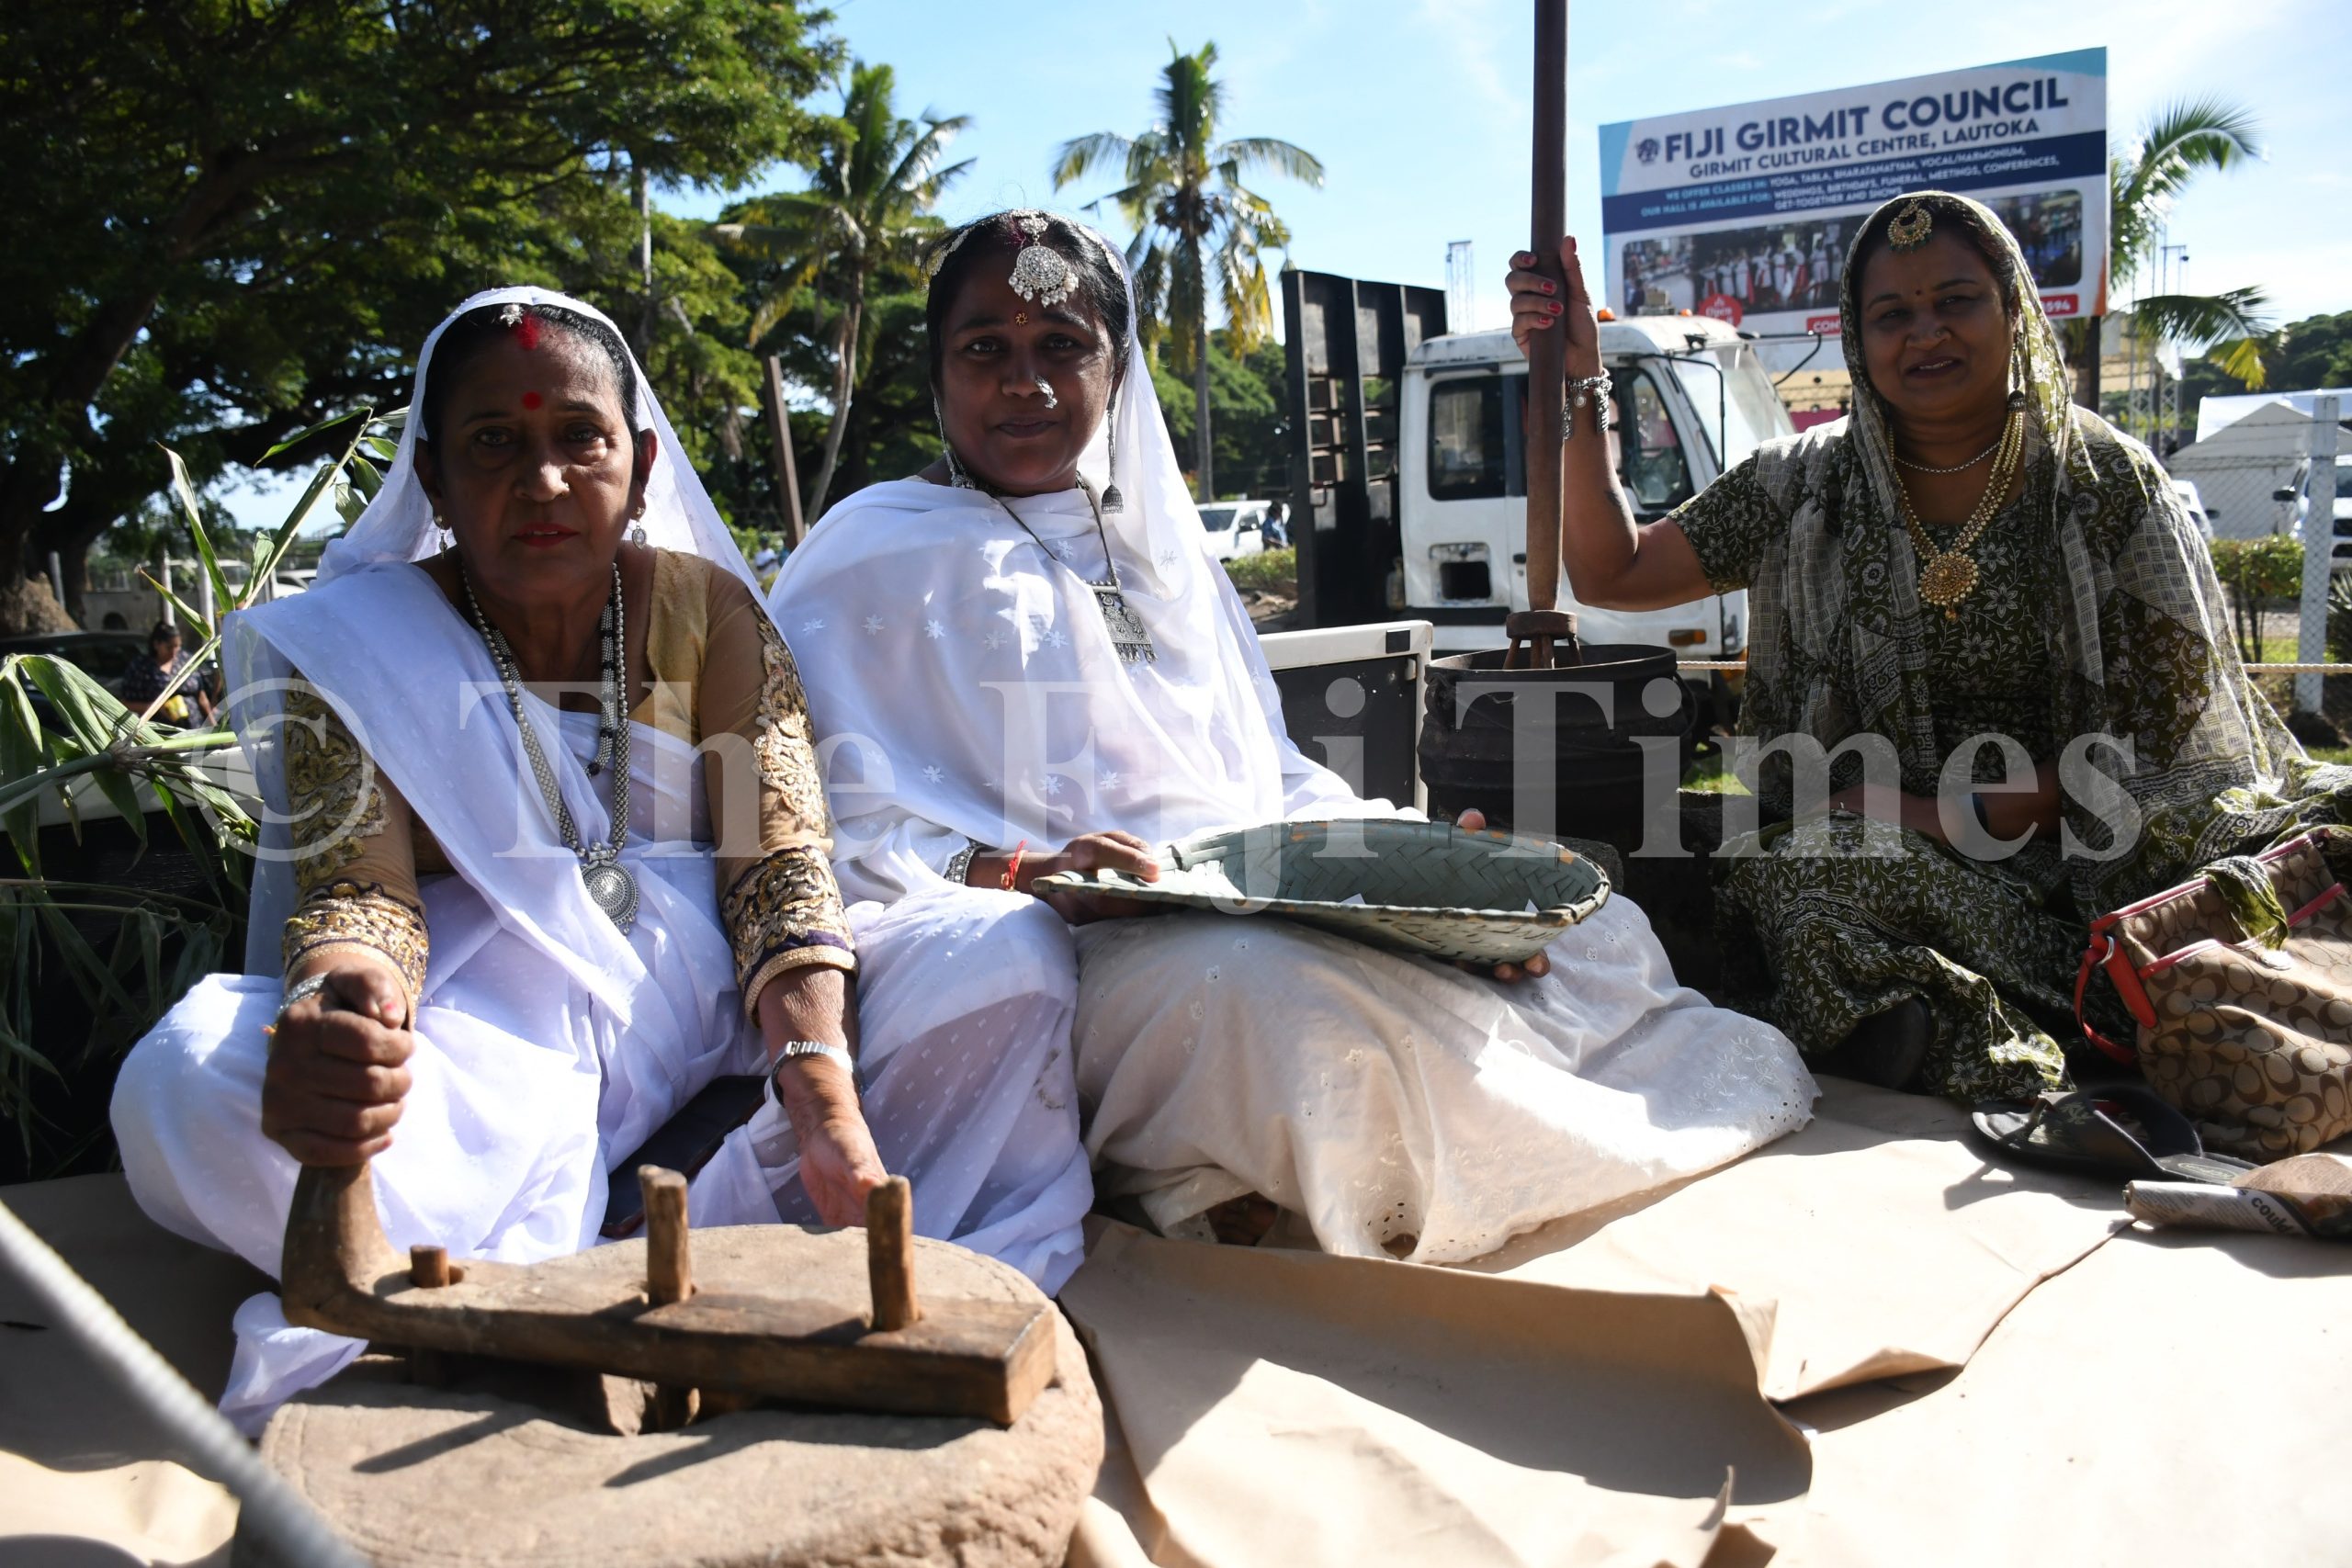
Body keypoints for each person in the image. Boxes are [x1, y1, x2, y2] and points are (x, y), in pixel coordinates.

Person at [111, 288, 1091, 1429]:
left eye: (580, 438)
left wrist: (820, 1089)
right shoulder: (354, 646)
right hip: (499, 1043)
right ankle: (631, 1236)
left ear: (640, 459)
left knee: (1006, 952)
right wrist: (347, 1016)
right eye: (495, 444)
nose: (544, 482)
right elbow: (359, 894)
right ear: (431, 478)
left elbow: (777, 865)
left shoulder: (707, 612)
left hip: (731, 1015)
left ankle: (657, 1230)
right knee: (185, 1076)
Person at [768, 210, 1815, 1263]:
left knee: (1587, 929)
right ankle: (1269, 1179)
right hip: (1047, 940)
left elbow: (1263, 783)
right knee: (1276, 1003)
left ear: (1116, 367)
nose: (1025, 382)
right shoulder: (866, 554)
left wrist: (1421, 875)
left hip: (1234, 893)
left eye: (1064, 347)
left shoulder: (1167, 553)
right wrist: (1026, 873)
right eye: (984, 348)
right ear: (938, 373)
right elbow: (813, 842)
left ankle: (1224, 1175)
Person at [1507, 190, 2344, 1100]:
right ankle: (2013, 1022)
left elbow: (2173, 759)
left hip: (2100, 869)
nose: (1925, 334)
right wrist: (1579, 383)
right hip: (1891, 869)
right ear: (1857, 340)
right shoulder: (1806, 481)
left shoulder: (2105, 484)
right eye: (1891, 315)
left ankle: (1986, 1012)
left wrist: (1938, 811)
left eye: (1956, 300)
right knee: (1792, 877)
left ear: (2011, 306)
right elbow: (1612, 574)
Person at [118, 619, 214, 724]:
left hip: (194, 726)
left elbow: (201, 696)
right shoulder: (142, 667)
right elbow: (125, 703)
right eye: (169, 648)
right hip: (161, 729)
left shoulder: (186, 661)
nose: (173, 653)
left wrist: (213, 722)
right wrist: (155, 708)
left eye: (177, 647)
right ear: (156, 645)